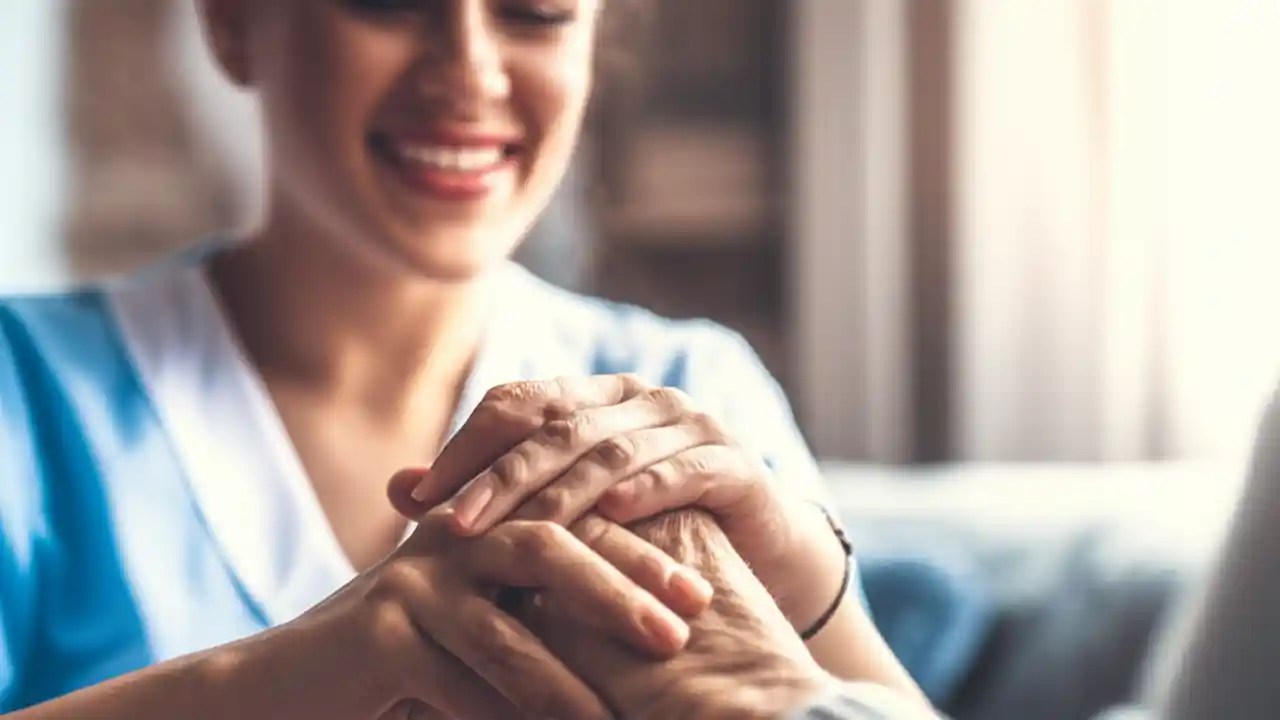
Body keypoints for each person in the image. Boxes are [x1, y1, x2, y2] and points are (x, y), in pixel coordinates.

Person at [0, 0, 959, 716]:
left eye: (535, 11)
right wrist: (287, 673)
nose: (469, 71)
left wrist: (814, 593)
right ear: (235, 23)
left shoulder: (692, 390)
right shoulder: (25, 390)